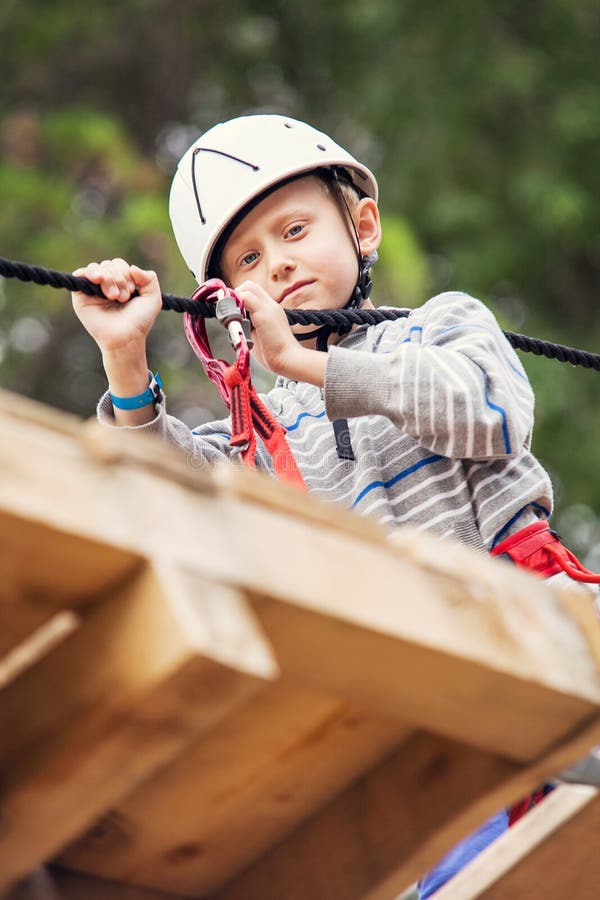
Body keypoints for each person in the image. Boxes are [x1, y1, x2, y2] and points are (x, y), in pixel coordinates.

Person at [71, 114, 597, 897]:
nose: (277, 265)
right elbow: (157, 498)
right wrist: (124, 357)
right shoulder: (251, 437)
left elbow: (488, 409)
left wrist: (308, 366)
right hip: (406, 739)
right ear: (224, 299)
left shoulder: (440, 328)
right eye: (249, 258)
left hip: (534, 652)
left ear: (362, 224)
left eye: (293, 231)